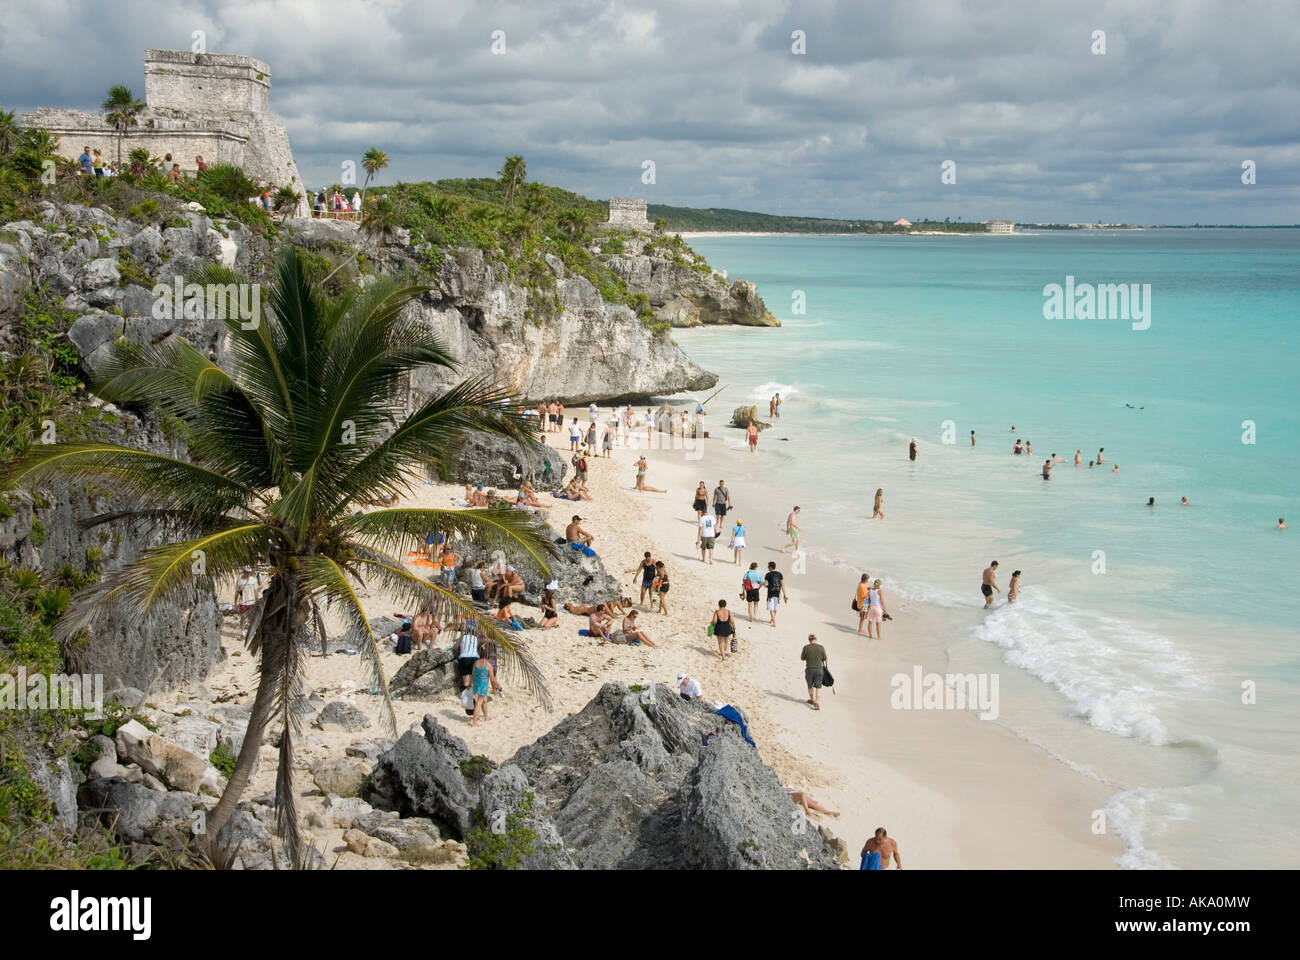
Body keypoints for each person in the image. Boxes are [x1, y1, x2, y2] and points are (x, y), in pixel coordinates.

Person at [801, 633, 827, 710]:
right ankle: (817, 702)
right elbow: (825, 658)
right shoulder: (821, 647)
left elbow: (802, 658)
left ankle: (811, 699)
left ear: (809, 640)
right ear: (816, 639)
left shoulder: (806, 647)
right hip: (819, 669)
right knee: (818, 686)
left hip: (809, 669)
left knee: (810, 685)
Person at [234, 565, 262, 637]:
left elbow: (255, 591)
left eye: (249, 572)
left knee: (252, 618)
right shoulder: (239, 581)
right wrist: (235, 602)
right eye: (246, 572)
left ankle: (251, 632)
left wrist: (257, 601)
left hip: (252, 602)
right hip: (243, 602)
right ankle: (242, 633)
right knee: (243, 617)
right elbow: (237, 592)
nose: (248, 573)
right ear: (244, 572)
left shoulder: (254, 580)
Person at [470, 654, 496, 727]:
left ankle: (486, 717)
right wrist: (498, 685)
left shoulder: (476, 663)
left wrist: (470, 684)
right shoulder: (488, 665)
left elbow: (472, 675)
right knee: (478, 704)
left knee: (484, 701)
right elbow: (492, 679)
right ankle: (474, 722)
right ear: (489, 657)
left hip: (476, 684)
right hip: (483, 686)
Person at [453, 623, 480, 689]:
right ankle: (473, 696)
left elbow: (455, 647)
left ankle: (467, 693)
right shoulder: (476, 638)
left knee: (466, 681)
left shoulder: (462, 637)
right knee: (472, 680)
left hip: (464, 658)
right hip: (475, 658)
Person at [765, 561, 788, 627]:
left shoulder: (768, 574)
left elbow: (765, 584)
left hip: (770, 594)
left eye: (768, 566)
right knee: (775, 608)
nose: (767, 568)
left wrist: (765, 585)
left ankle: (774, 623)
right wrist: (785, 595)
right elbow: (783, 585)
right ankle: (772, 619)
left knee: (771, 609)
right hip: (778, 593)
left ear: (770, 567)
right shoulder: (779, 574)